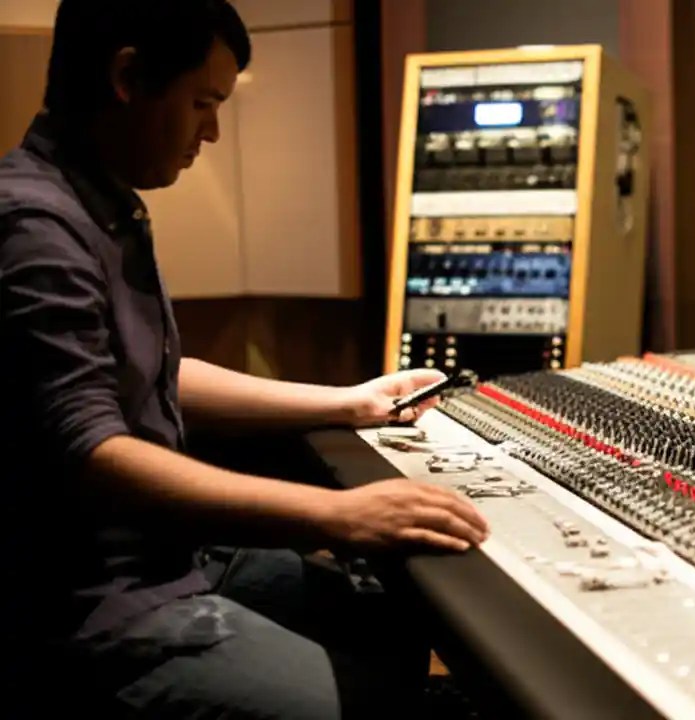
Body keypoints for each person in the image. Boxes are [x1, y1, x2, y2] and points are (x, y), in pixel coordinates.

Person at [0, 0, 490, 716]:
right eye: (203, 102)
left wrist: (348, 400)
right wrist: (337, 515)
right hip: (98, 612)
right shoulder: (33, 227)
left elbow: (156, 377)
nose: (213, 130)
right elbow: (93, 452)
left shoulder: (96, 205)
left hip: (168, 561)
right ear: (128, 77)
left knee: (391, 624)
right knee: (387, 703)